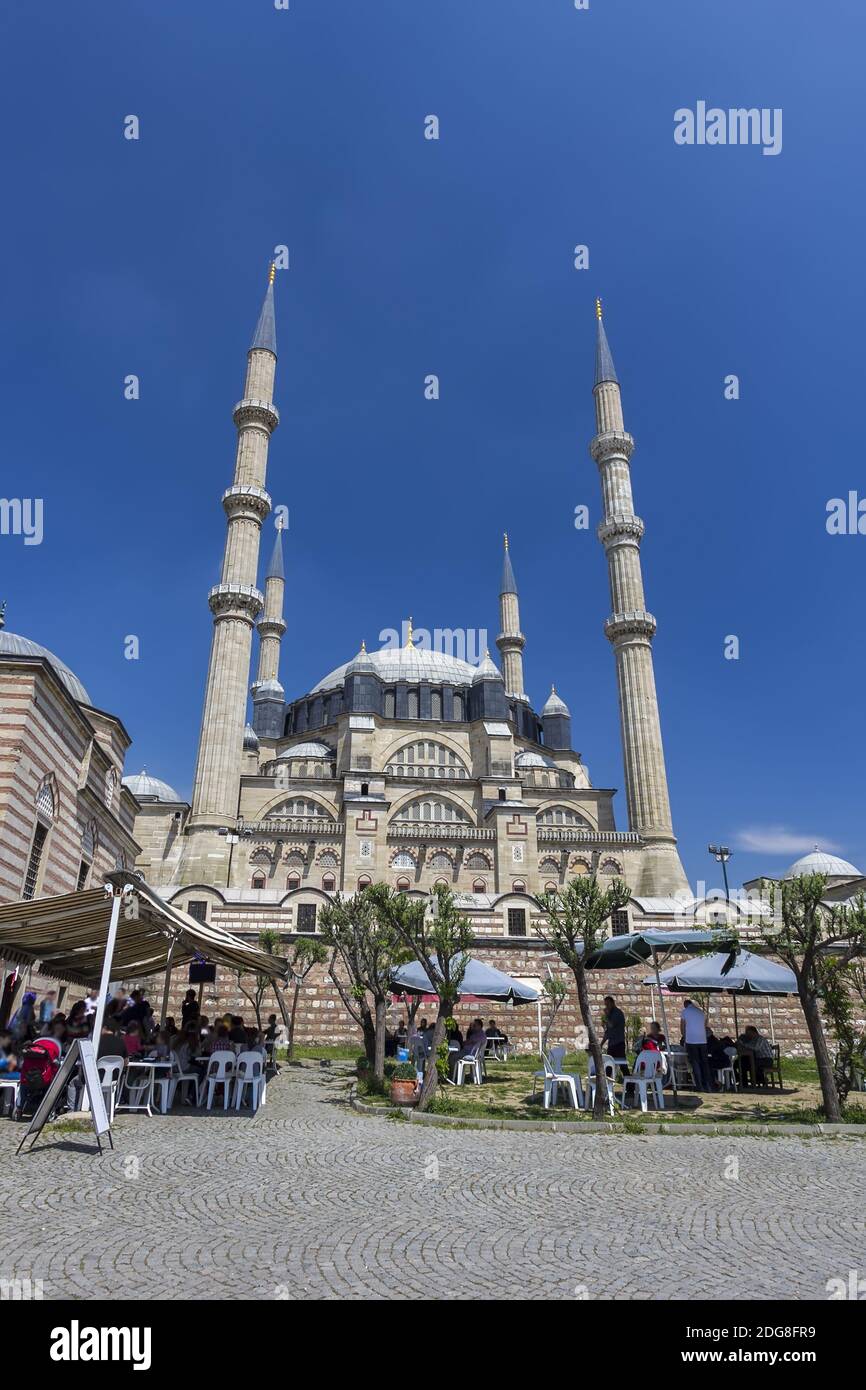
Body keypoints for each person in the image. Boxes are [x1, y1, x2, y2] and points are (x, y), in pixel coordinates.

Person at [681, 999, 712, 1091]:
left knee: (695, 1062)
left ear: (686, 1005)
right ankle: (708, 1085)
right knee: (704, 1063)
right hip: (702, 1040)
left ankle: (699, 1086)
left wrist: (684, 1037)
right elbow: (705, 1025)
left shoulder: (685, 1012)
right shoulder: (701, 1012)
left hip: (691, 1040)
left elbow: (682, 1026)